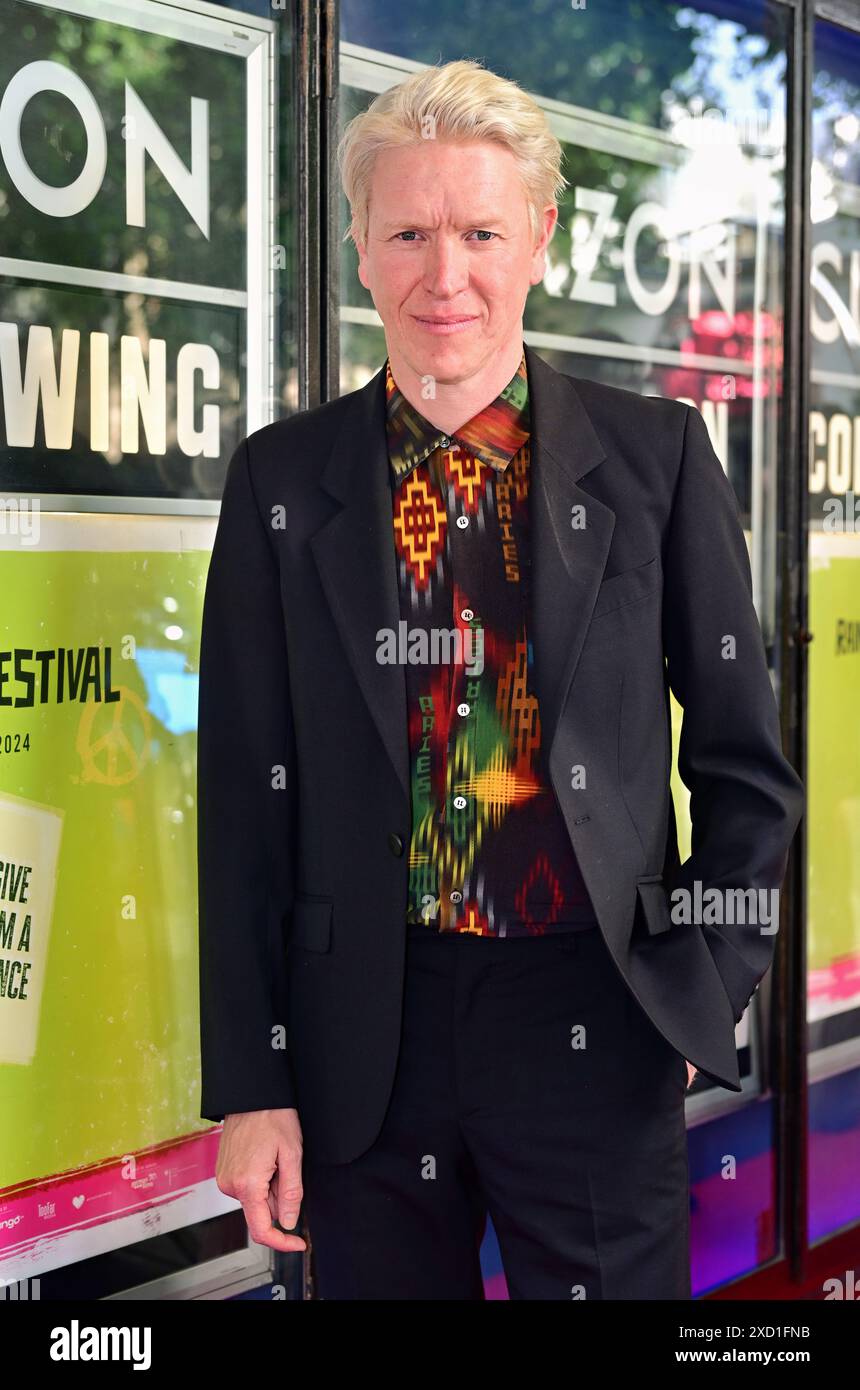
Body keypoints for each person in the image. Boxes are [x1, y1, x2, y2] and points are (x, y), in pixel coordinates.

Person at [196, 59, 804, 1300]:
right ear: (359, 249)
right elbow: (245, 803)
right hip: (361, 1034)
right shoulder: (278, 480)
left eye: (478, 232)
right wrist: (254, 1081)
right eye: (407, 234)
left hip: (593, 1012)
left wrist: (697, 982)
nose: (445, 275)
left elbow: (744, 767)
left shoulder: (655, 459)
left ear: (538, 239)